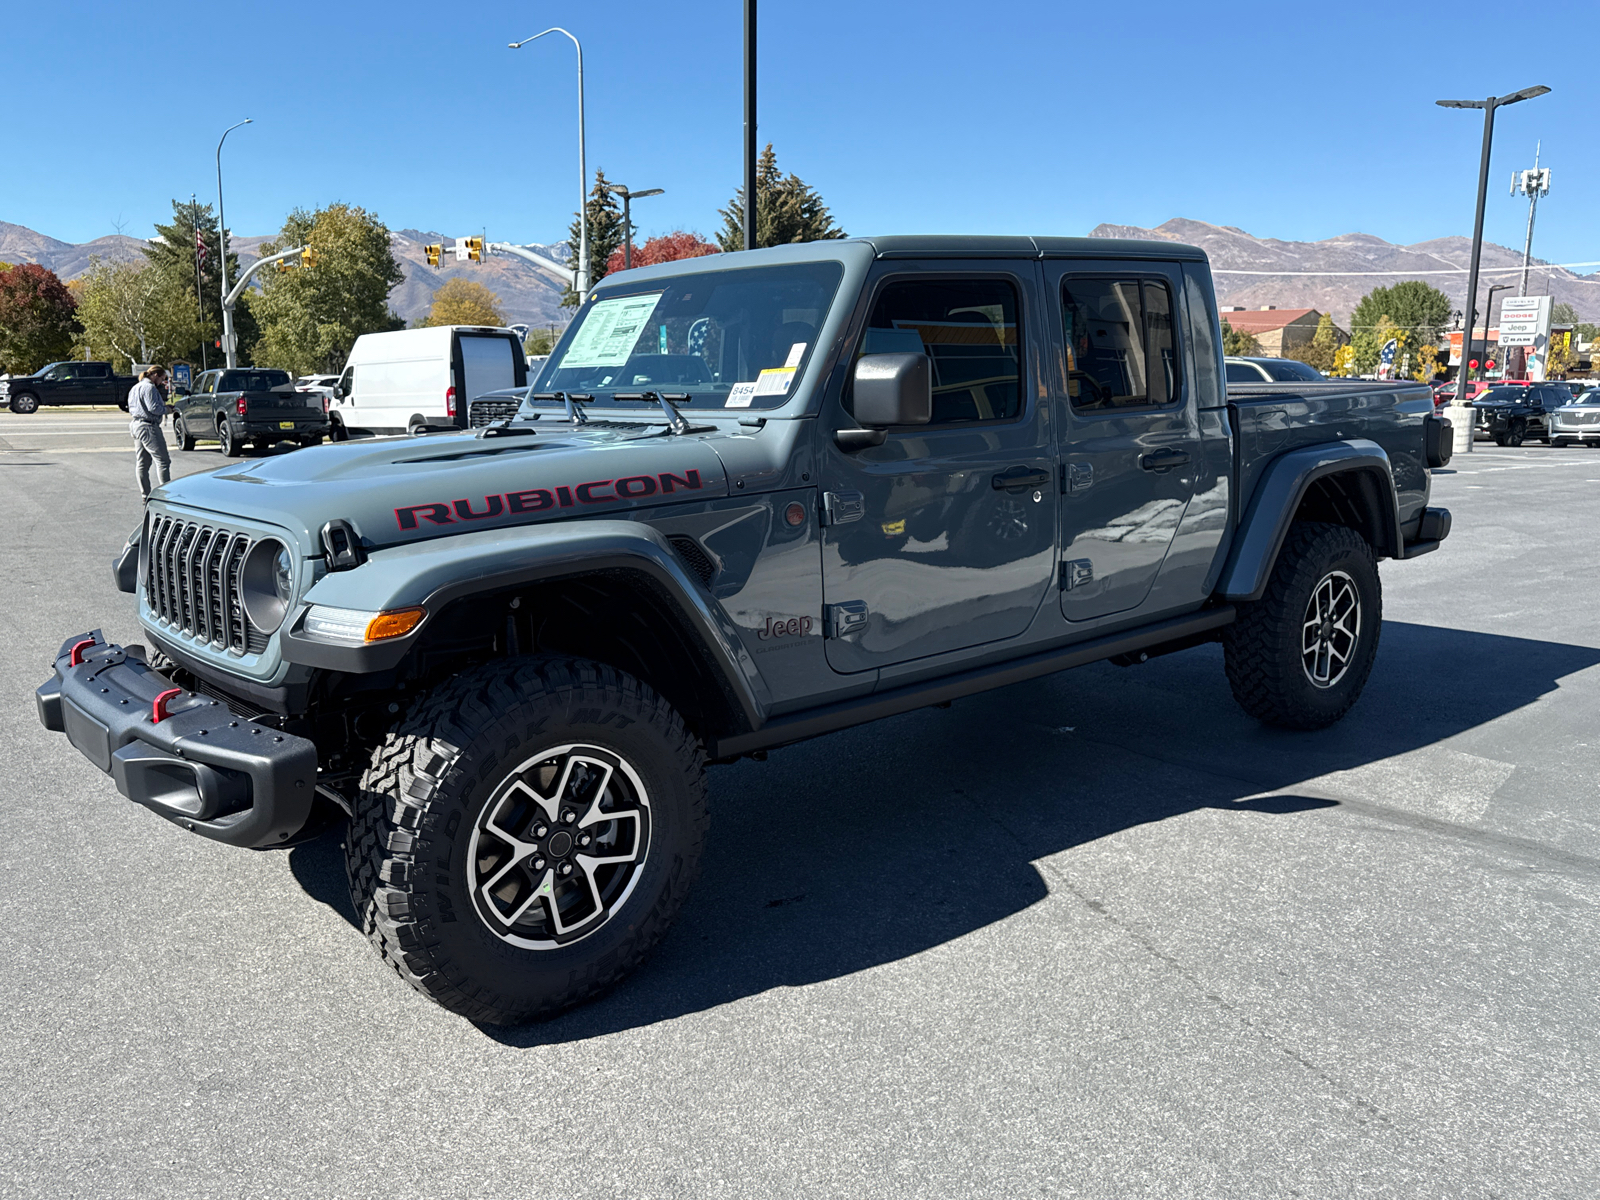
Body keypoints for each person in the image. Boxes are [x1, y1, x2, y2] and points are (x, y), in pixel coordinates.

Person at [128, 365, 172, 501]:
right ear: (155, 375)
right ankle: (166, 494)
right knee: (163, 461)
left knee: (142, 463)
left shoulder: (135, 387)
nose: (161, 382)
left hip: (136, 425)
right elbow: (153, 408)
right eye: (162, 379)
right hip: (148, 426)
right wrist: (167, 409)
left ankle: (145, 495)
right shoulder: (149, 388)